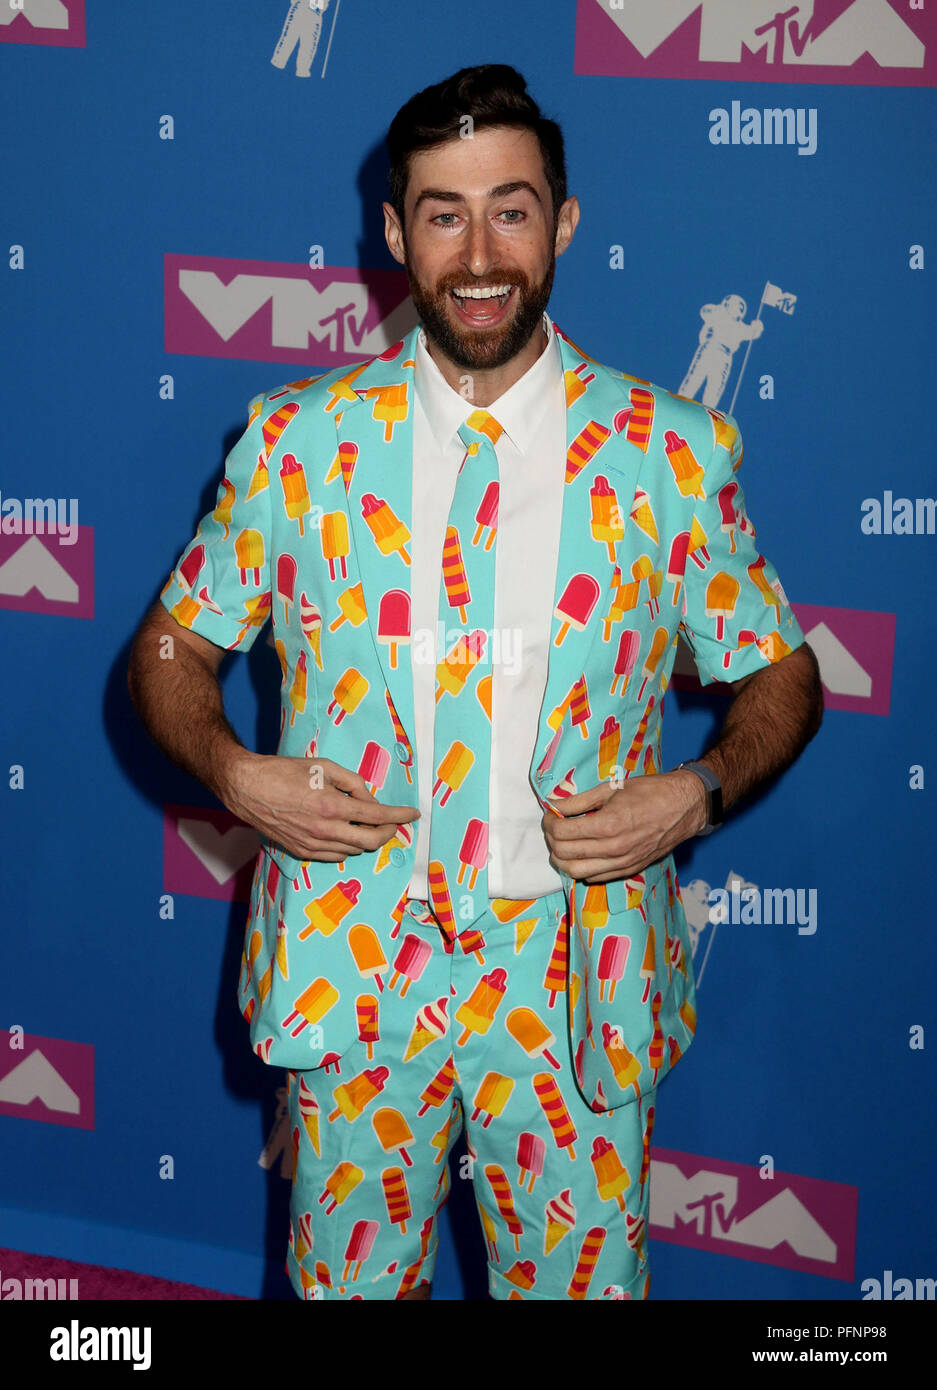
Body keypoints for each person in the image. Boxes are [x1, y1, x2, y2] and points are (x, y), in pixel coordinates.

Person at [127, 64, 822, 1302]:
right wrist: (236, 771)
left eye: (511, 206)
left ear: (563, 221)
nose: (480, 250)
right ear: (394, 235)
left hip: (573, 991)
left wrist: (697, 795)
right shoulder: (298, 444)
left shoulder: (669, 453)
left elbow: (782, 671)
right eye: (443, 213)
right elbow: (172, 648)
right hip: (358, 984)